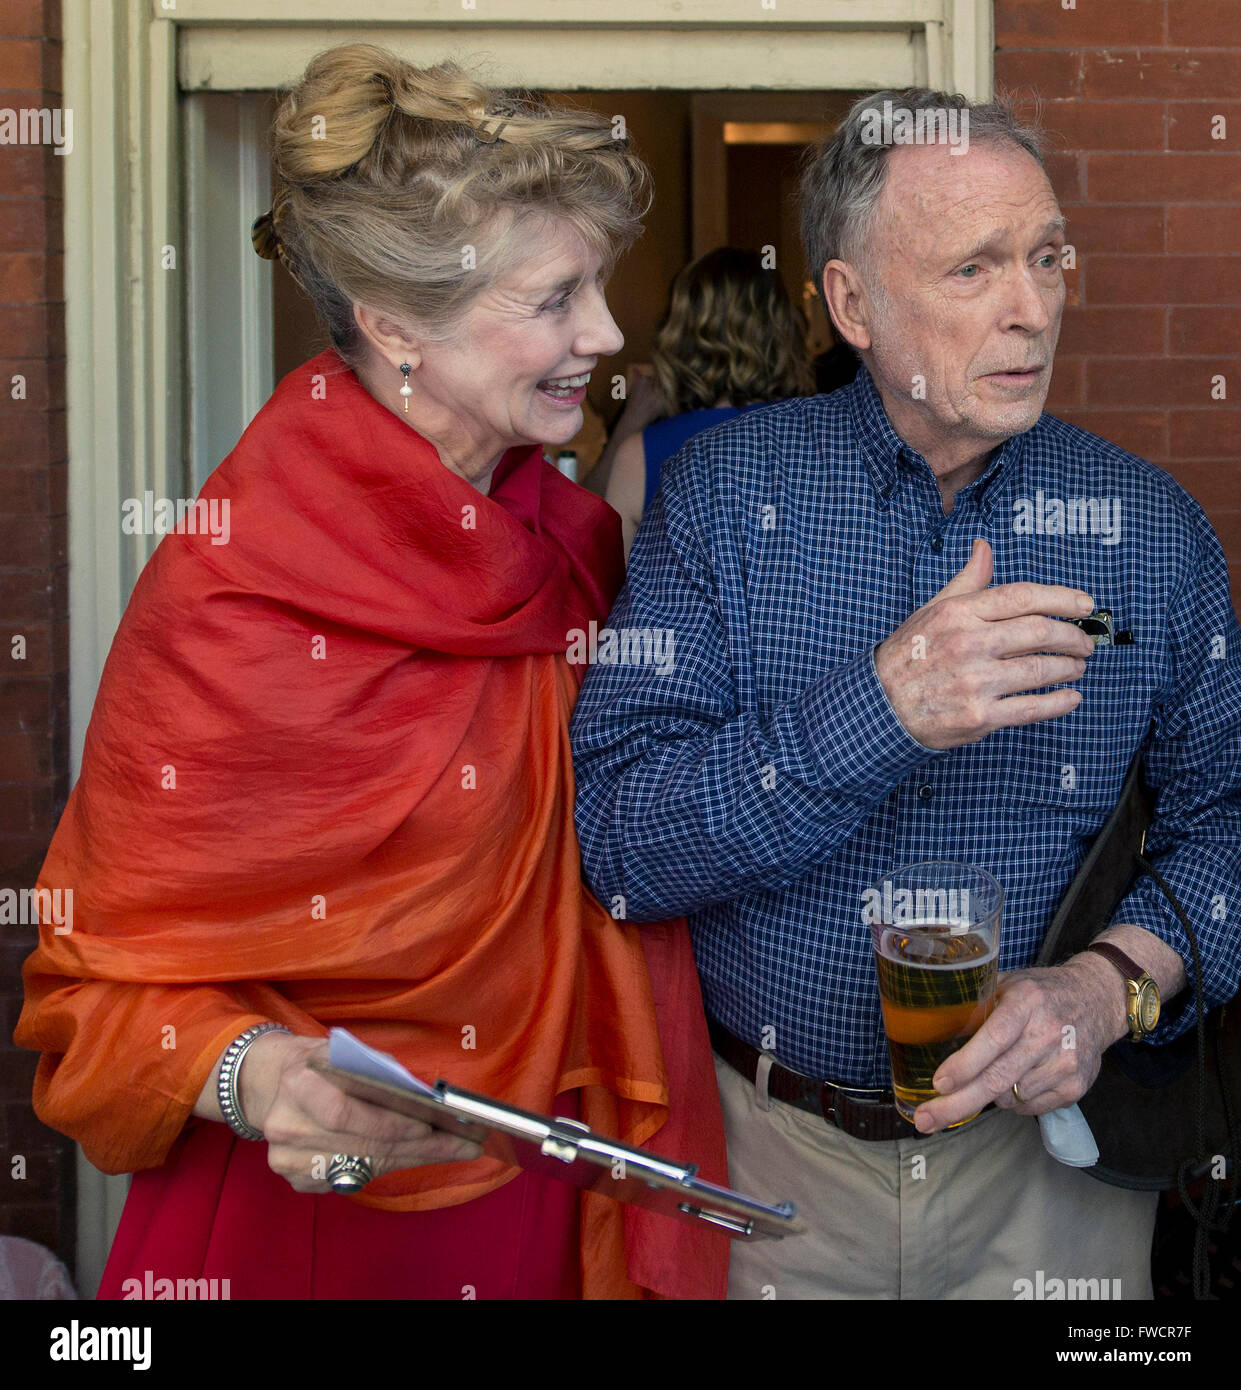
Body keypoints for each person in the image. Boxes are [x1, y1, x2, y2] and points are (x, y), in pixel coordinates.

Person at [13, 42, 729, 1302]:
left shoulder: (566, 543)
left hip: (542, 1187)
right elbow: (90, 991)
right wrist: (253, 1072)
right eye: (556, 297)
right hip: (304, 1219)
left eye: (596, 289)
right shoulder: (233, 588)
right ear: (398, 327)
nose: (608, 334)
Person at [569, 88, 1241, 1299]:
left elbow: (1228, 822)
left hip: (1050, 1178)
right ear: (849, 303)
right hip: (770, 1164)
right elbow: (617, 838)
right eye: (972, 268)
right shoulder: (721, 499)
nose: (1029, 309)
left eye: (1045, 257)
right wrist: (880, 710)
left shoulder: (1148, 531)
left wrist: (1103, 988)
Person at [604, 247, 813, 557]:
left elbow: (611, 594)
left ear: (675, 333)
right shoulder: (825, 440)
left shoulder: (640, 455)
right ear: (782, 330)